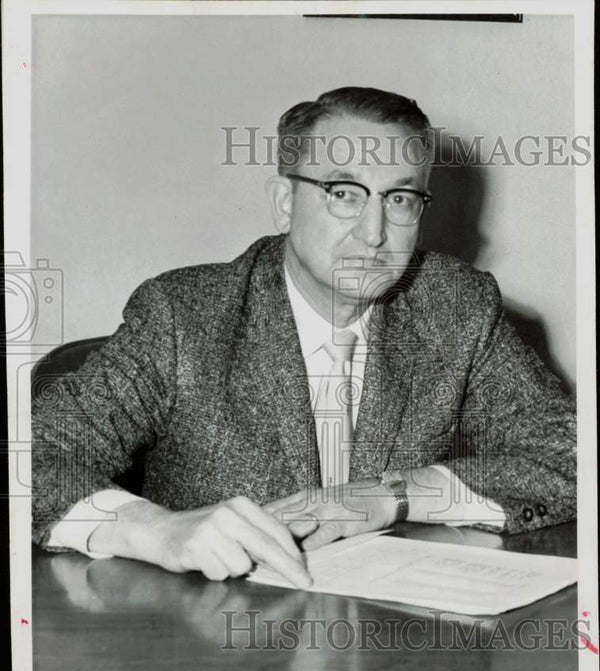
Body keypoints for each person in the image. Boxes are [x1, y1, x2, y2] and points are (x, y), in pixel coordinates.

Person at [32, 87, 576, 588]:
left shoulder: (456, 306)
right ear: (286, 202)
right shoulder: (184, 316)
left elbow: (571, 456)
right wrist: (152, 530)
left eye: (400, 199)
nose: (374, 232)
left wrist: (392, 497)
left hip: (396, 646)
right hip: (213, 649)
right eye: (344, 192)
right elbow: (31, 456)